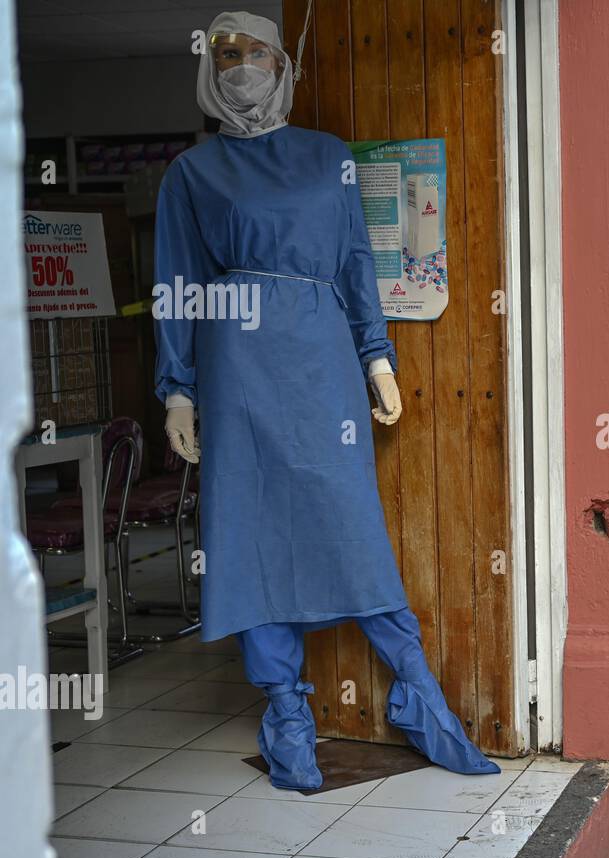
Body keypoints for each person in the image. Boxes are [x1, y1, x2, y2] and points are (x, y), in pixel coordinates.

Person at [154, 11, 499, 789]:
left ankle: (418, 693)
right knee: (249, 535)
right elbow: (176, 284)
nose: (242, 65)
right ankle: (286, 715)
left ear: (285, 65)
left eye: (257, 52)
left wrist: (378, 359)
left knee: (350, 527)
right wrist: (177, 391)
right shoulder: (191, 174)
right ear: (209, 67)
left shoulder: (328, 157)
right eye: (227, 53)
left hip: (321, 365)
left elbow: (354, 263)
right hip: (236, 369)